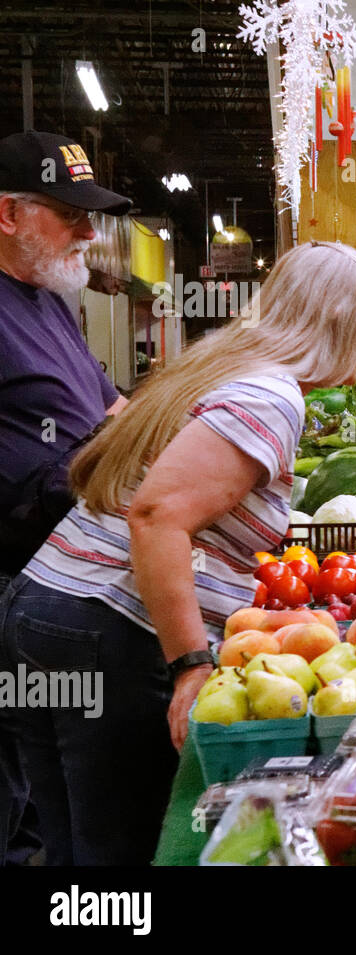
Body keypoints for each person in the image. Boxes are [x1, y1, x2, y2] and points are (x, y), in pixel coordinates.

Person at [0, 240, 356, 865]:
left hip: (50, 608)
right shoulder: (271, 395)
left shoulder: (221, 367)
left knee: (71, 847)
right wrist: (190, 664)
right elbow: (157, 517)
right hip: (108, 629)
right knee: (119, 853)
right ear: (337, 321)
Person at [0, 130, 132, 866]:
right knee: (12, 792)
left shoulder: (51, 300)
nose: (89, 230)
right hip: (11, 584)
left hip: (59, 582)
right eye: (68, 213)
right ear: (8, 214)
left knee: (46, 797)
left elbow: (110, 409)